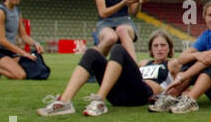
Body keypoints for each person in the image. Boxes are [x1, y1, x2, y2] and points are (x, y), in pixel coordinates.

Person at [38, 31, 176, 117]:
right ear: (151, 49)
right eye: (155, 46)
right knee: (92, 53)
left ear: (169, 47)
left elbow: (184, 83)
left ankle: (99, 100)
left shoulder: (172, 64)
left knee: (118, 48)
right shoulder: (143, 63)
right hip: (118, 96)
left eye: (163, 45)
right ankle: (64, 102)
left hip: (143, 95)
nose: (159, 49)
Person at [0, 0, 47, 79]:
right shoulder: (0, 11)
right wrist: (24, 53)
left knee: (33, 70)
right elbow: (2, 40)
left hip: (9, 52)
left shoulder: (17, 11)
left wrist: (35, 43)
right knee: (20, 75)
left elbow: (24, 36)